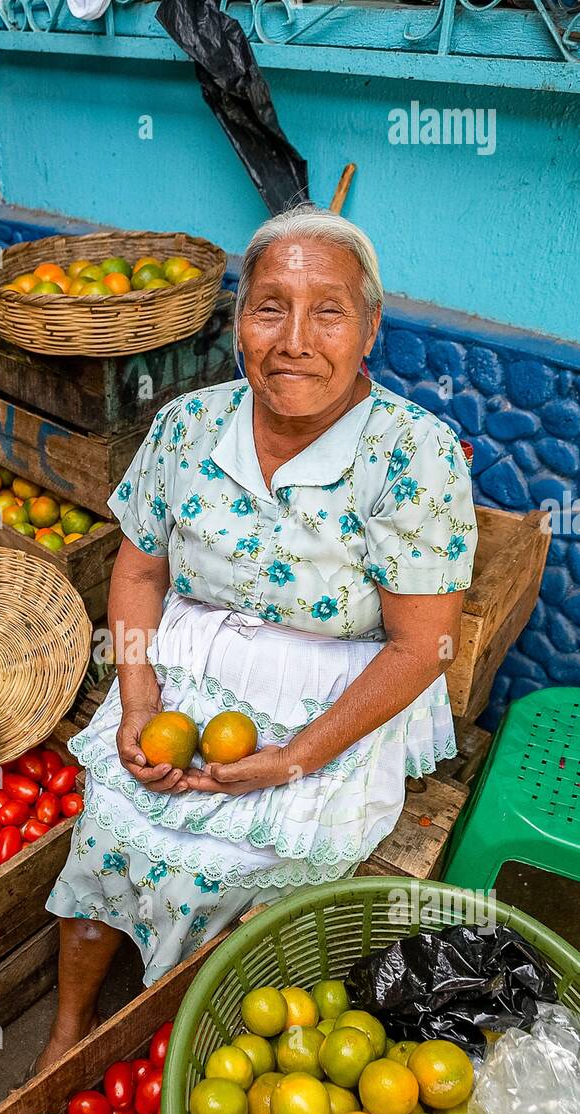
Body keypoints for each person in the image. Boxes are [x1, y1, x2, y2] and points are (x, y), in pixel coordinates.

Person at [40, 204, 477, 1069]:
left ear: (370, 330)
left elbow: (420, 645)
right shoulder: (186, 426)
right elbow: (137, 572)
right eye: (270, 306)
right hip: (186, 667)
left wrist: (294, 757)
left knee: (261, 882)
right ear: (238, 324)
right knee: (116, 826)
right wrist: (137, 697)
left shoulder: (414, 453)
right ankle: (70, 1025)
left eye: (329, 311)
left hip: (331, 700)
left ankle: (208, 1052)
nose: (295, 339)